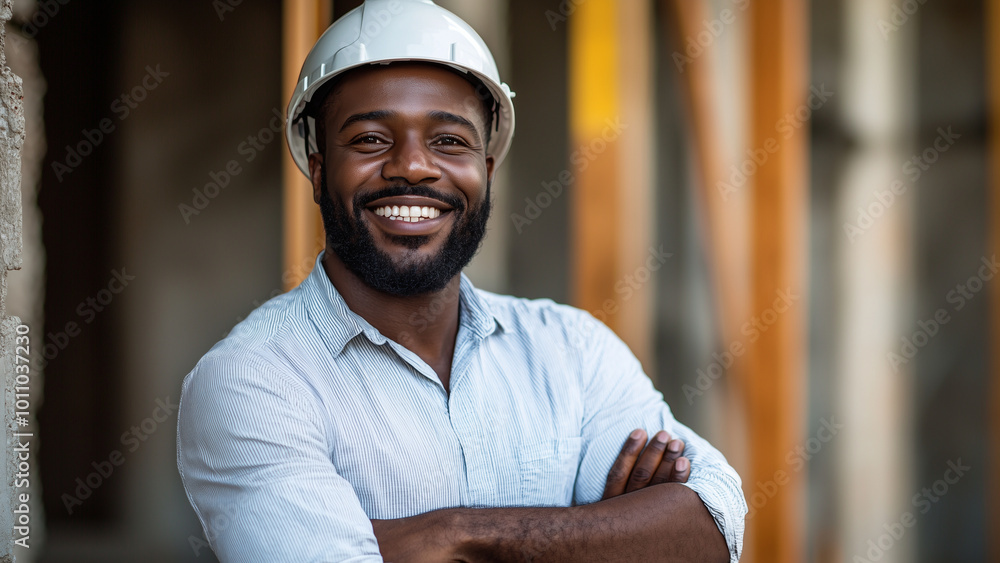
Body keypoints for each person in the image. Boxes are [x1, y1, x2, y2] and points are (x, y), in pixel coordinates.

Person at [177, 1, 747, 561]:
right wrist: (602, 536)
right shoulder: (250, 381)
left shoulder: (574, 350)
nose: (413, 166)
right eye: (371, 139)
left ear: (487, 167)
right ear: (320, 166)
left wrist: (455, 533)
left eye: (449, 141)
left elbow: (713, 525)